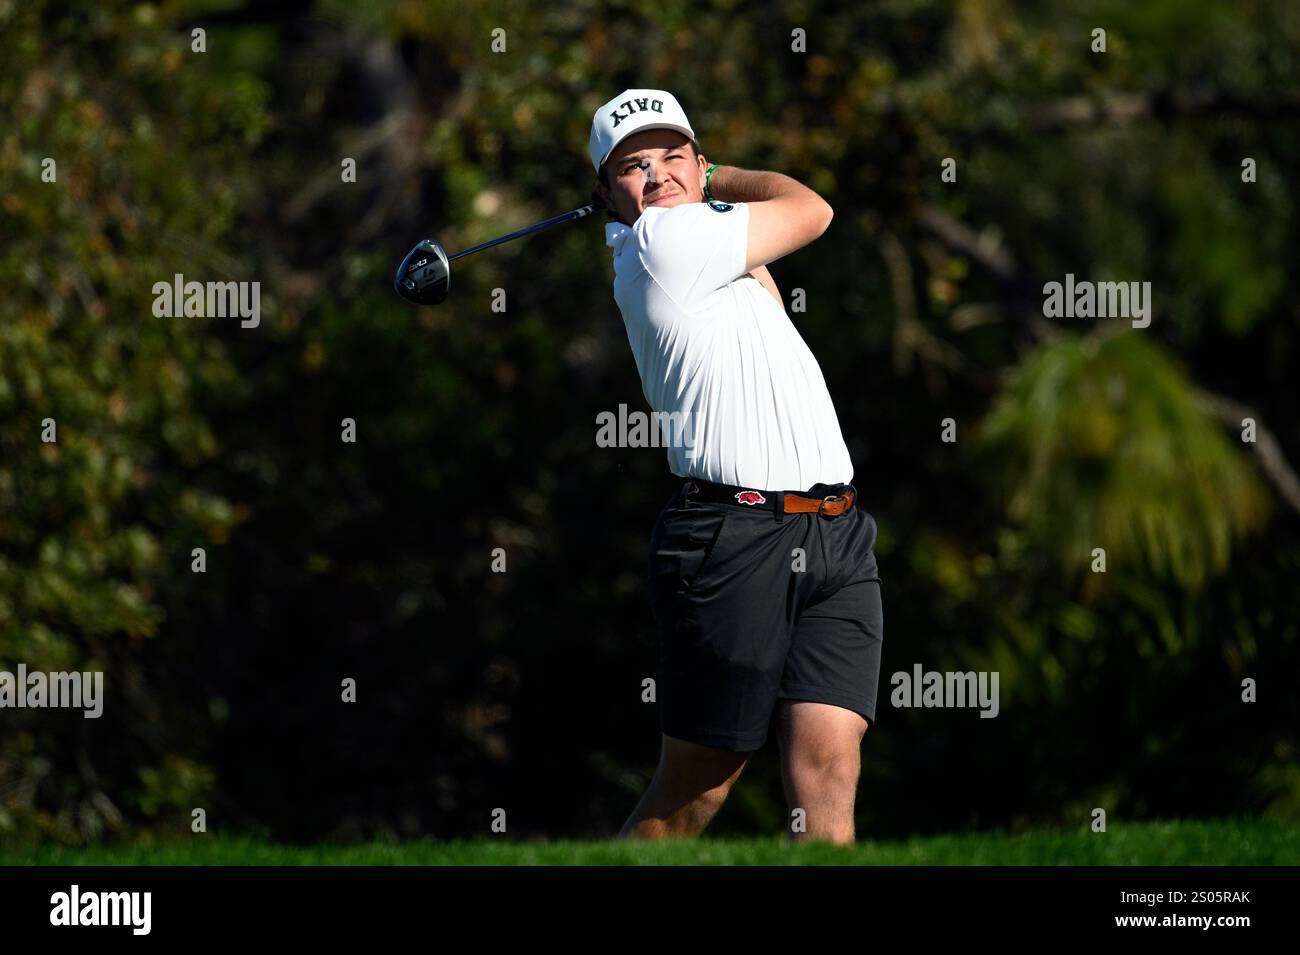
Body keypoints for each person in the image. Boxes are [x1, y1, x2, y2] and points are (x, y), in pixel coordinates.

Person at [590, 89, 883, 844]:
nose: (656, 174)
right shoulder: (662, 245)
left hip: (835, 532)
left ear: (695, 155)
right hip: (732, 533)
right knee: (700, 784)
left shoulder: (719, 248)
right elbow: (811, 208)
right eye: (632, 166)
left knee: (832, 767)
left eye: (672, 155)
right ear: (609, 194)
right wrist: (715, 177)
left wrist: (707, 190)